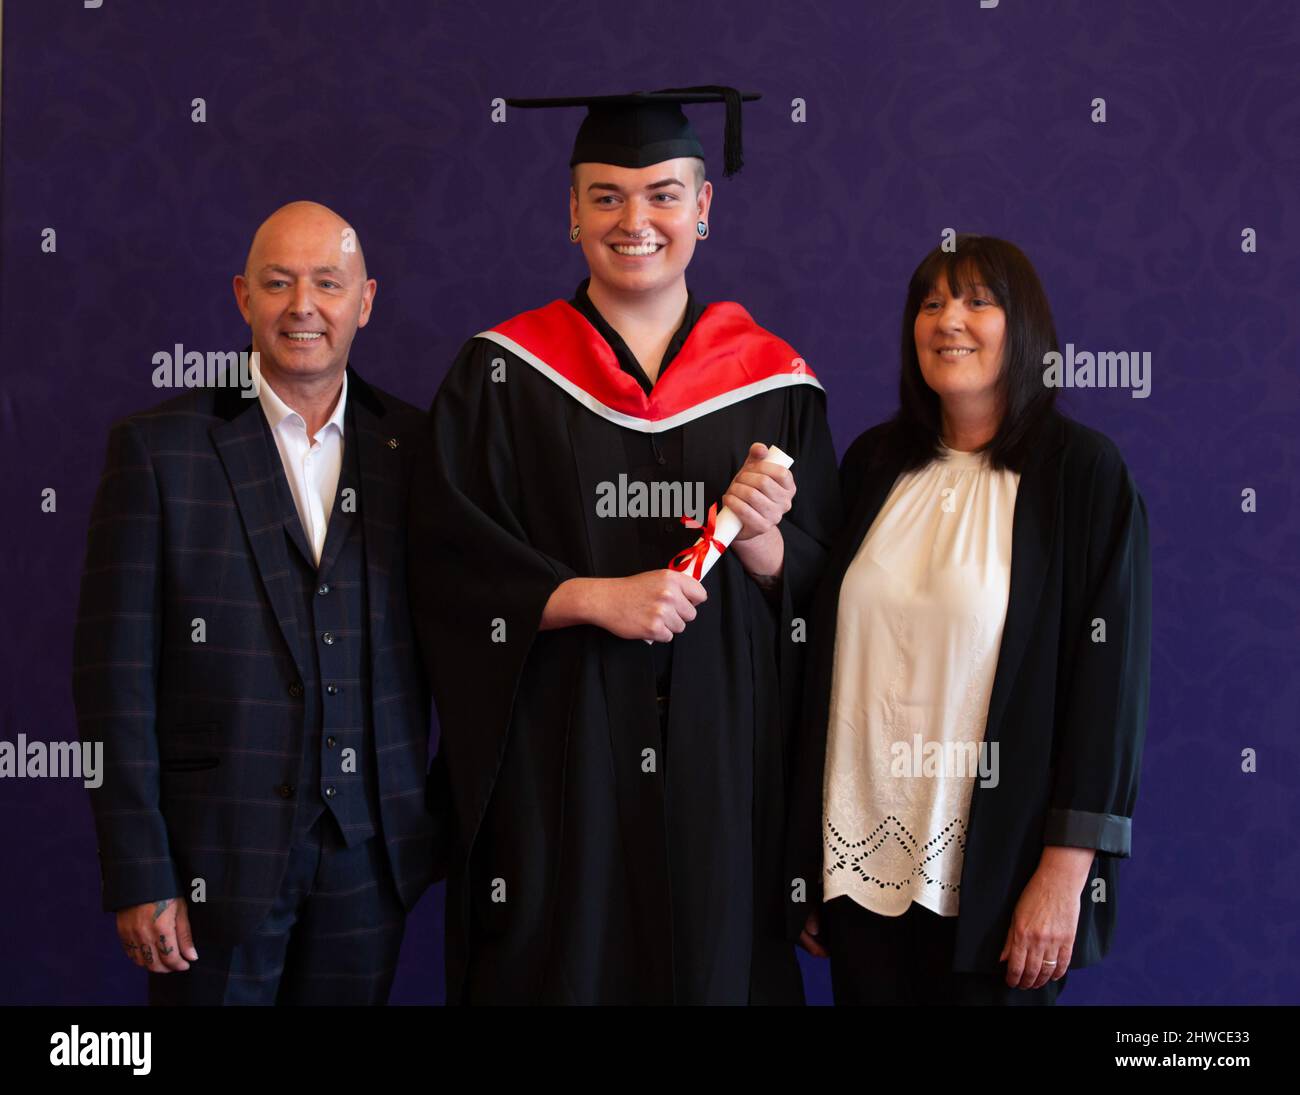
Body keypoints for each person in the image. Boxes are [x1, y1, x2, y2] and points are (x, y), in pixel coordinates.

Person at [409, 87, 840, 1004]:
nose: (634, 219)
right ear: (572, 213)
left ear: (703, 209)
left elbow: (832, 593)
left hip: (724, 759)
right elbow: (442, 562)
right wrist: (589, 598)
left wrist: (765, 548)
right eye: (605, 195)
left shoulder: (775, 383)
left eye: (662, 194)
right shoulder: (502, 374)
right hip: (558, 751)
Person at [73, 201, 445, 1005]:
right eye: (278, 283)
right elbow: (114, 680)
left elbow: (463, 637)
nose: (302, 306)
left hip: (370, 860)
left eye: (327, 284)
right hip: (211, 861)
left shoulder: (415, 450)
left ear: (366, 300)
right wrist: (141, 867)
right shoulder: (157, 448)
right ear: (243, 296)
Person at [786, 234, 1151, 1005]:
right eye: (931, 302)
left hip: (997, 880)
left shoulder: (1081, 476)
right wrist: (804, 857)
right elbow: (818, 656)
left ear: (1026, 329)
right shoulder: (873, 463)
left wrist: (1065, 870)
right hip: (860, 870)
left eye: (979, 300)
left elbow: (1108, 689)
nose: (949, 318)